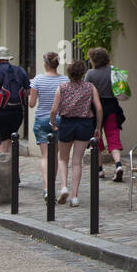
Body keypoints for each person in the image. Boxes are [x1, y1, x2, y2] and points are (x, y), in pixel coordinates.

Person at [49, 59, 103, 207]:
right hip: (84, 124)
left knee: (63, 159)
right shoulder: (90, 87)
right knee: (77, 161)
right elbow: (98, 108)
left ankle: (64, 186)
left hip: (66, 123)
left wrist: (53, 122)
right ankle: (74, 196)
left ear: (69, 73)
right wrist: (98, 126)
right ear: (83, 72)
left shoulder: (62, 87)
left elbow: (54, 110)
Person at [28, 52, 68, 201]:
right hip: (59, 120)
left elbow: (32, 104)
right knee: (55, 155)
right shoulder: (64, 80)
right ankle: (52, 184)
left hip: (42, 120)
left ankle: (46, 188)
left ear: (45, 64)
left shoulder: (37, 79)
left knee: (45, 156)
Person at [84, 48, 125, 182]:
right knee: (113, 137)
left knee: (96, 139)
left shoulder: (90, 74)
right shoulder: (114, 71)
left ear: (93, 60)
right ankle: (118, 165)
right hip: (112, 107)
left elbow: (86, 92)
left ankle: (100, 169)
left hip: (95, 109)